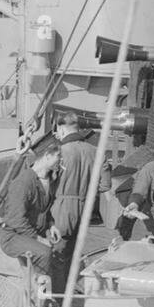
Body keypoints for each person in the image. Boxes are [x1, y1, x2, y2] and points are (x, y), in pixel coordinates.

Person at [0, 141, 64, 286]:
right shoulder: (23, 182)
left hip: (32, 232)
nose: (61, 161)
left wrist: (51, 225)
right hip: (13, 235)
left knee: (62, 248)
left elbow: (45, 210)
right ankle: (38, 298)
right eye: (59, 156)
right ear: (47, 156)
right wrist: (39, 240)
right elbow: (15, 220)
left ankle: (56, 293)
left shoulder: (49, 180)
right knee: (44, 252)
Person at [49, 112, 99, 287]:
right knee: (72, 253)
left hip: (60, 207)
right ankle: (68, 292)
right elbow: (105, 185)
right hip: (85, 208)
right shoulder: (95, 151)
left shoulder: (59, 152)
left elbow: (46, 180)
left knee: (56, 254)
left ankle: (57, 298)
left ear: (62, 130)